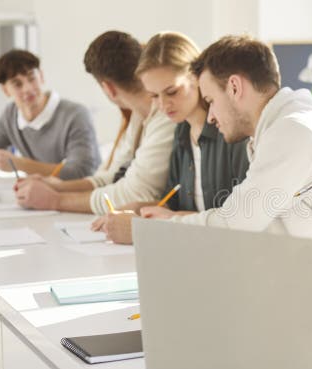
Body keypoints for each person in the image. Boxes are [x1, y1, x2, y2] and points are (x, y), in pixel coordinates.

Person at [102, 35, 312, 244]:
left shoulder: (293, 131)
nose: (210, 117)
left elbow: (235, 224)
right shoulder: (289, 122)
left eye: (210, 101)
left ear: (234, 87)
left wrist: (144, 231)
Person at [96, 31, 250, 242]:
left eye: (172, 92)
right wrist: (139, 209)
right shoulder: (181, 132)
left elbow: (239, 221)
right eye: (154, 96)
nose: (163, 105)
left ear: (197, 78)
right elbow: (174, 201)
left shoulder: (233, 133)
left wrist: (151, 227)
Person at [15, 31, 177, 214]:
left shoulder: (166, 117)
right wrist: (58, 187)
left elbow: (135, 194)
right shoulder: (138, 115)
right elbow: (113, 177)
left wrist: (56, 200)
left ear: (108, 88)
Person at [0, 49, 100, 179]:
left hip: (83, 195)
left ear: (41, 76)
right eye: (17, 84)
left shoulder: (76, 115)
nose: (27, 89)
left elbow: (81, 171)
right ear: (5, 90)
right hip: (43, 193)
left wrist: (18, 164)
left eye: (31, 78)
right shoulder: (10, 114)